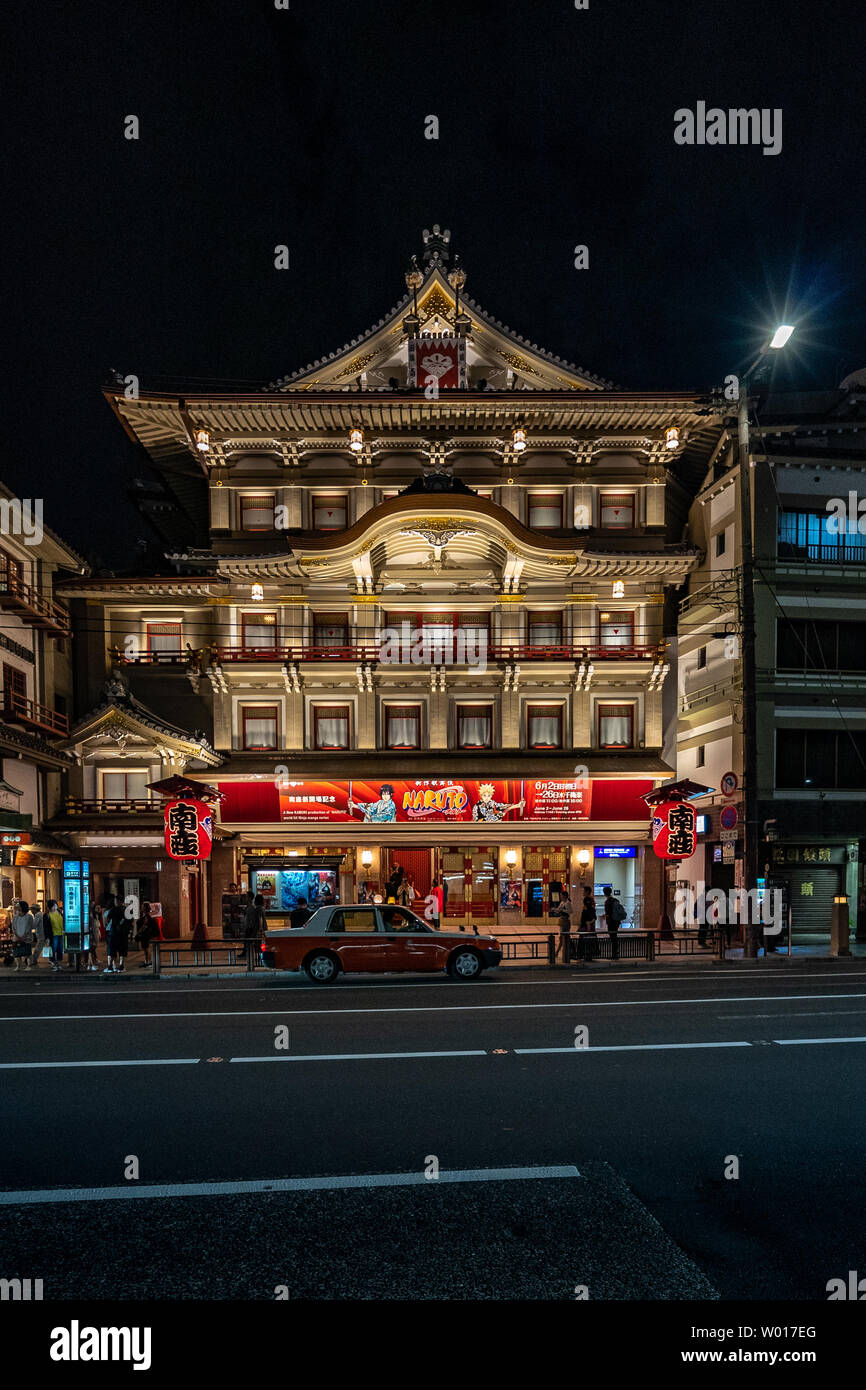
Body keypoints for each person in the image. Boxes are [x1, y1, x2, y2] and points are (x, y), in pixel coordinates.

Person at [11, 900, 35, 971]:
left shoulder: (29, 916)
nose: (17, 906)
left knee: (27, 953)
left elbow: (29, 927)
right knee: (17, 953)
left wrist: (24, 936)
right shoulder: (15, 917)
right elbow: (13, 927)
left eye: (19, 905)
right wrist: (17, 935)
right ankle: (18, 966)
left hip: (26, 937)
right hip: (17, 937)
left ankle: (28, 966)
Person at [137, 902, 161, 966]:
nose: (141, 908)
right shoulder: (147, 915)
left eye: (142, 907)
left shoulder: (146, 916)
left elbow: (145, 925)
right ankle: (147, 960)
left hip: (145, 935)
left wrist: (139, 932)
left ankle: (148, 961)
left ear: (145, 908)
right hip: (147, 934)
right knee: (146, 948)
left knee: (146, 948)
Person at [604, 891, 626, 960]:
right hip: (616, 921)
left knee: (612, 937)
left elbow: (608, 913)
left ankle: (614, 954)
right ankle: (616, 953)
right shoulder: (616, 900)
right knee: (615, 936)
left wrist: (605, 916)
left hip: (611, 922)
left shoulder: (608, 902)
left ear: (604, 893)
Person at [579, 889, 597, 963]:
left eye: (584, 891)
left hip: (586, 926)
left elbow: (593, 916)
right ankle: (587, 954)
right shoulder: (590, 905)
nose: (583, 892)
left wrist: (588, 923)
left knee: (586, 940)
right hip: (585, 925)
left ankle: (587, 954)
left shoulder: (588, 904)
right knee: (588, 940)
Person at [46, 900, 64, 970]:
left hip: (61, 933)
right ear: (50, 907)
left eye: (56, 905)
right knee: (53, 949)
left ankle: (59, 962)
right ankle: (52, 962)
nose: (55, 907)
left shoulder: (60, 913)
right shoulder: (47, 915)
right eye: (53, 906)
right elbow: (46, 927)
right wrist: (47, 937)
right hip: (53, 934)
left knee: (60, 948)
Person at [555, 892, 573, 962]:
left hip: (566, 921)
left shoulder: (568, 903)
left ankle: (559, 952)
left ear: (565, 896)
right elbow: (559, 909)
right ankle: (560, 952)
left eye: (561, 896)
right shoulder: (562, 902)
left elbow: (570, 911)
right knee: (562, 937)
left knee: (564, 937)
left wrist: (562, 910)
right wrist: (556, 910)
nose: (560, 897)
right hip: (562, 920)